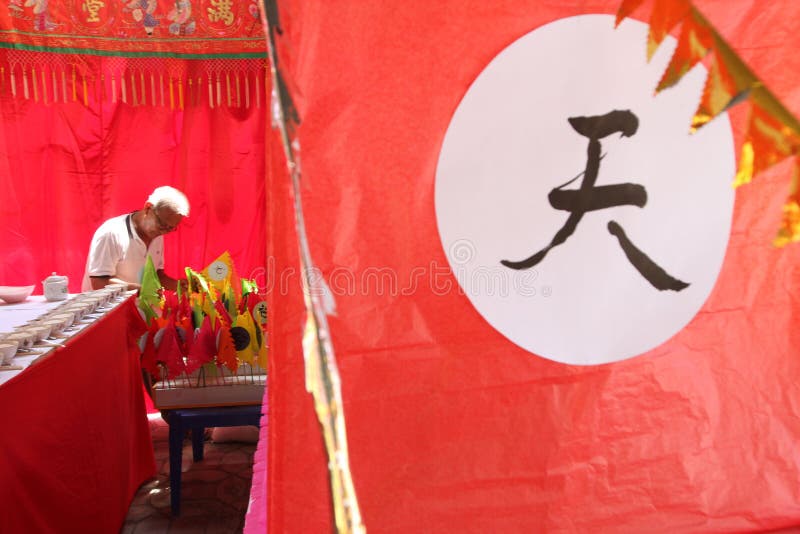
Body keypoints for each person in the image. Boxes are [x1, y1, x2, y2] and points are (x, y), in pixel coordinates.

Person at [82, 185, 190, 292]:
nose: (164, 231)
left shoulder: (157, 236)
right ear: (148, 208)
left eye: (170, 228)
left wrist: (177, 285)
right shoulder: (112, 233)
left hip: (137, 306)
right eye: (161, 224)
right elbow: (99, 282)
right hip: (107, 307)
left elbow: (155, 275)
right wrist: (140, 291)